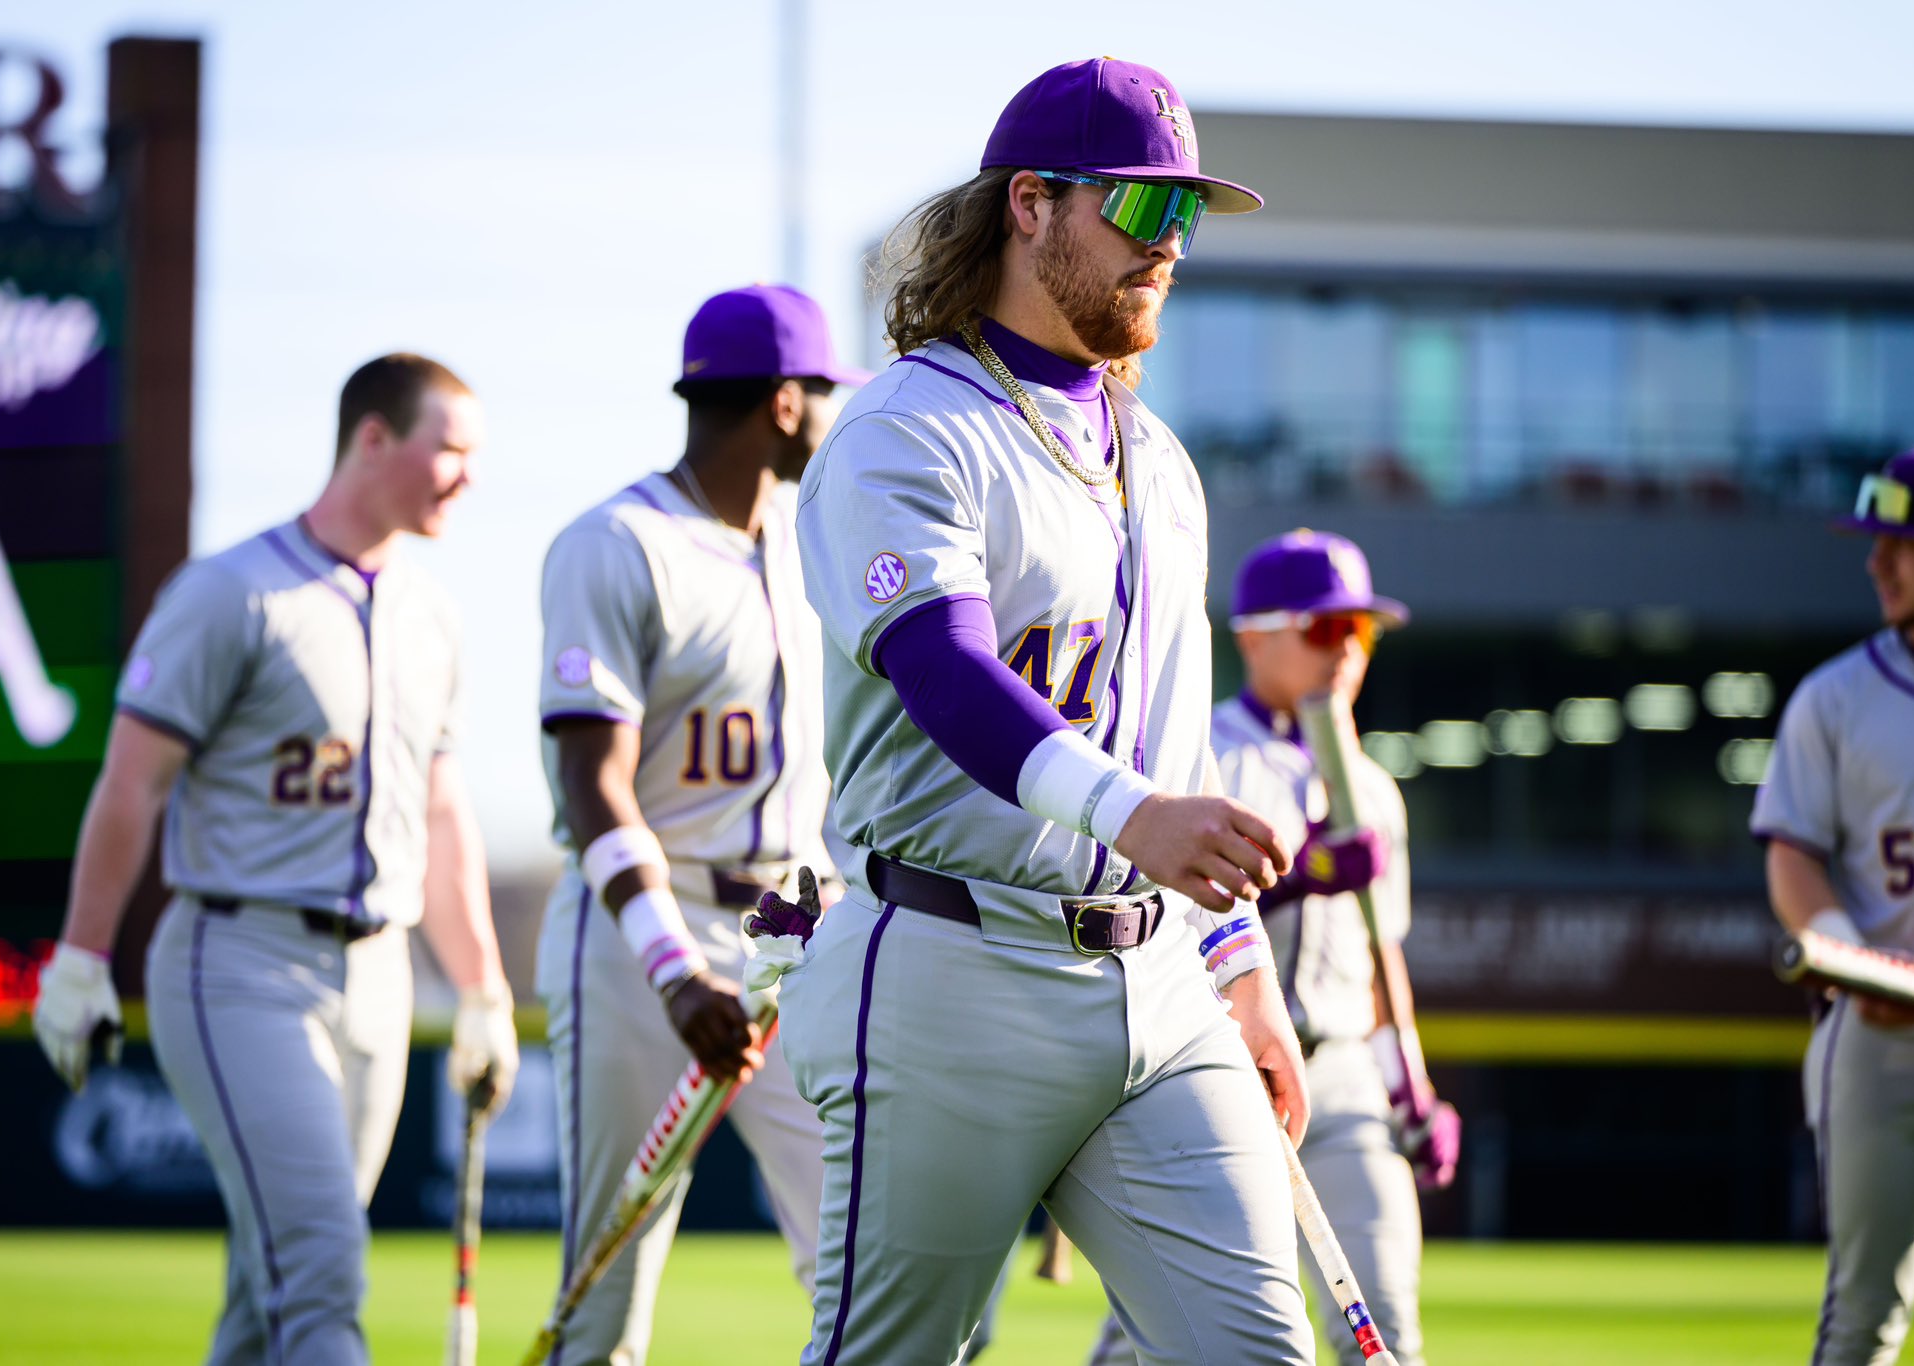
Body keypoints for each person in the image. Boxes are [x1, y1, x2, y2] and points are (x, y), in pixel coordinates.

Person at [785, 57, 1317, 1364]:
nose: (1170, 243)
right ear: (1030, 204)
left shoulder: (1162, 461)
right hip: (950, 959)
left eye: (1186, 215)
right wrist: (1132, 816)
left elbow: (1175, 757)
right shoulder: (906, 425)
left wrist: (1241, 972)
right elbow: (942, 665)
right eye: (1142, 206)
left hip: (1157, 979)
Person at [31, 353, 521, 1365]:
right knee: (322, 1266)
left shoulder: (432, 613)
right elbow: (131, 783)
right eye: (450, 449)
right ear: (373, 439)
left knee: (272, 1294)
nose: (470, 476)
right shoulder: (231, 591)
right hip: (240, 957)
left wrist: (481, 988)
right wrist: (80, 955)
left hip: (380, 974)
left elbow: (439, 815)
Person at [534, 284, 866, 1365]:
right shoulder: (617, 542)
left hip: (793, 926)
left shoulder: (816, 544)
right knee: (607, 1290)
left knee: (868, 1257)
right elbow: (591, 781)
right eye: (825, 391)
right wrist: (673, 969)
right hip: (646, 932)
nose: (837, 412)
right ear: (785, 402)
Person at [1089, 530, 1460, 1365]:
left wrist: (1412, 1084)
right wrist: (1301, 876)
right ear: (1255, 636)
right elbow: (1167, 913)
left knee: (1386, 1329)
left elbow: (1382, 958)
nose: (1347, 650)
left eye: (1360, 632)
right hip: (1209, 1066)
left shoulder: (1374, 784)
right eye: (1325, 628)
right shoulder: (1205, 756)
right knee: (1165, 1334)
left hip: (1342, 1078)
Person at [1752, 442, 1914, 1366]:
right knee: (1862, 1320)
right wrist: (1856, 960)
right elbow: (1791, 856)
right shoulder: (1835, 697)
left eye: (1904, 543)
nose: (1878, 562)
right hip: (1883, 1039)